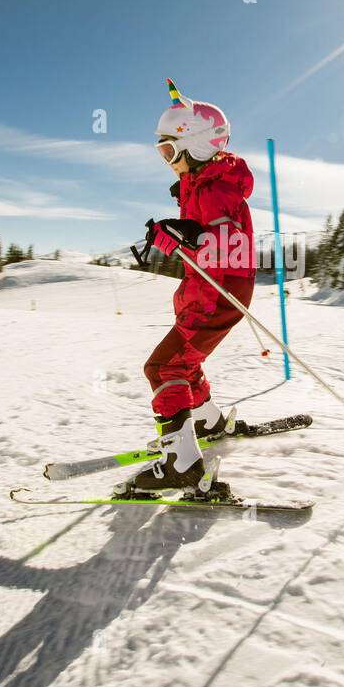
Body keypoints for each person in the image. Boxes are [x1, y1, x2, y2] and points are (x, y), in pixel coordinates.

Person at [129, 78, 255, 493]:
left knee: (164, 368)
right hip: (209, 293)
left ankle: (182, 464)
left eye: (170, 151)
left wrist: (190, 236)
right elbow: (200, 244)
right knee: (184, 363)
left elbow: (227, 246)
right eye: (162, 152)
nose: (167, 161)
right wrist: (179, 236)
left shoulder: (218, 189)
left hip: (216, 296)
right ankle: (206, 422)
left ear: (198, 146)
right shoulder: (202, 184)